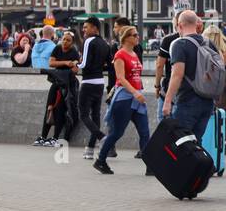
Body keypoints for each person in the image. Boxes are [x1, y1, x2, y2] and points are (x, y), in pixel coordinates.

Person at [94, 25, 150, 174]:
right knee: (117, 132)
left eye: (137, 35)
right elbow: (120, 78)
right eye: (135, 35)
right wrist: (134, 92)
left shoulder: (134, 54)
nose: (138, 37)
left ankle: (150, 166)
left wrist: (139, 92)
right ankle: (100, 160)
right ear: (126, 38)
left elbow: (136, 76)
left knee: (145, 132)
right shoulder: (120, 55)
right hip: (124, 97)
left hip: (137, 97)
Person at [163, 10, 222, 141]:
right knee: (195, 143)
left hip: (187, 101)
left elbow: (177, 74)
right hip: (207, 102)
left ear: (179, 25)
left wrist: (167, 101)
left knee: (179, 143)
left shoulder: (180, 44)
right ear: (197, 24)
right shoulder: (209, 43)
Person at [34, 30, 79, 147]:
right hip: (56, 83)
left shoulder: (74, 52)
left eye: (68, 40)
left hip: (66, 86)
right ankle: (43, 137)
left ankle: (55, 137)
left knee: (60, 110)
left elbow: (75, 69)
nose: (65, 42)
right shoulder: (57, 48)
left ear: (72, 42)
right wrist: (66, 63)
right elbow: (51, 63)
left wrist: (66, 64)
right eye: (63, 39)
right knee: (49, 107)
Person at [76, 16, 111, 160]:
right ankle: (90, 149)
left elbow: (83, 64)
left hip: (88, 82)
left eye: (86, 27)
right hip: (99, 83)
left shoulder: (89, 41)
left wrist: (75, 65)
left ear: (95, 28)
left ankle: (102, 138)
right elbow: (109, 65)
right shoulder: (105, 43)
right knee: (95, 115)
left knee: (83, 114)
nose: (83, 30)